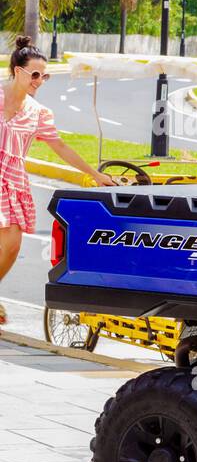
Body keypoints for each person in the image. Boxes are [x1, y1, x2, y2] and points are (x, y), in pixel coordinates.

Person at [1, 36, 115, 327]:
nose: (39, 81)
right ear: (17, 71)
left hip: (11, 182)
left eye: (44, 76)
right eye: (34, 74)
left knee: (11, 243)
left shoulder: (38, 114)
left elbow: (61, 147)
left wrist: (95, 174)